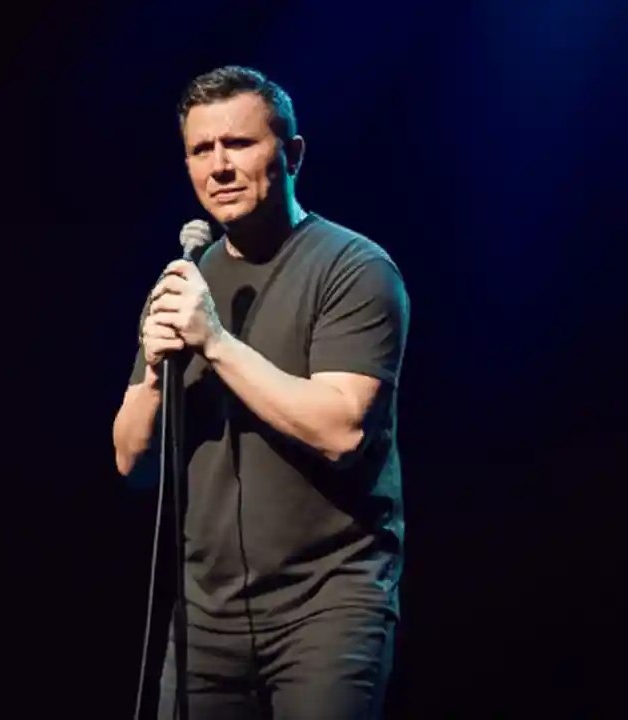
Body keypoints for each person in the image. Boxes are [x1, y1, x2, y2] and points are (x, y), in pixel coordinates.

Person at [111, 65, 410, 720]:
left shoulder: (353, 269)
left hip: (326, 608)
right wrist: (158, 372)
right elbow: (131, 461)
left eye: (239, 144)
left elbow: (342, 432)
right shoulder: (186, 282)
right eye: (201, 149)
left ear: (293, 153)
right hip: (205, 618)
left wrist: (214, 342)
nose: (218, 166)